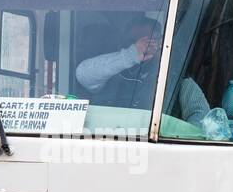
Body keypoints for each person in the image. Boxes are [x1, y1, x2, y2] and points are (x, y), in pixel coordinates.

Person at [75, 17, 210, 125]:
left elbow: (201, 116)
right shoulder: (110, 69)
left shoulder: (178, 79)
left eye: (148, 41)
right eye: (134, 42)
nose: (142, 46)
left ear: (161, 43)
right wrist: (131, 54)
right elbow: (82, 74)